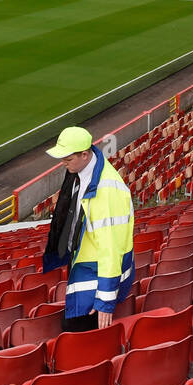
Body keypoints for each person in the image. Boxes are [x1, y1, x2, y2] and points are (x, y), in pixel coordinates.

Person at [41, 126, 135, 332]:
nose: (63, 164)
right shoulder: (82, 171)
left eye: (67, 159)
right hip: (87, 266)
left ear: (85, 155)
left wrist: (105, 302)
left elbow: (112, 248)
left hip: (95, 276)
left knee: (76, 333)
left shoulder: (106, 191)